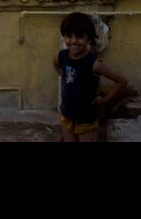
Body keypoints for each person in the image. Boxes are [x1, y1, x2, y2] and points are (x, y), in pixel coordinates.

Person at [53, 11, 128, 142]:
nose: (74, 41)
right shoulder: (62, 56)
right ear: (64, 37)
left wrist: (105, 101)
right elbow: (56, 64)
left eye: (79, 36)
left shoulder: (94, 64)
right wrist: (66, 77)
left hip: (86, 120)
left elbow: (122, 81)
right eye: (69, 36)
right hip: (66, 116)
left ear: (89, 38)